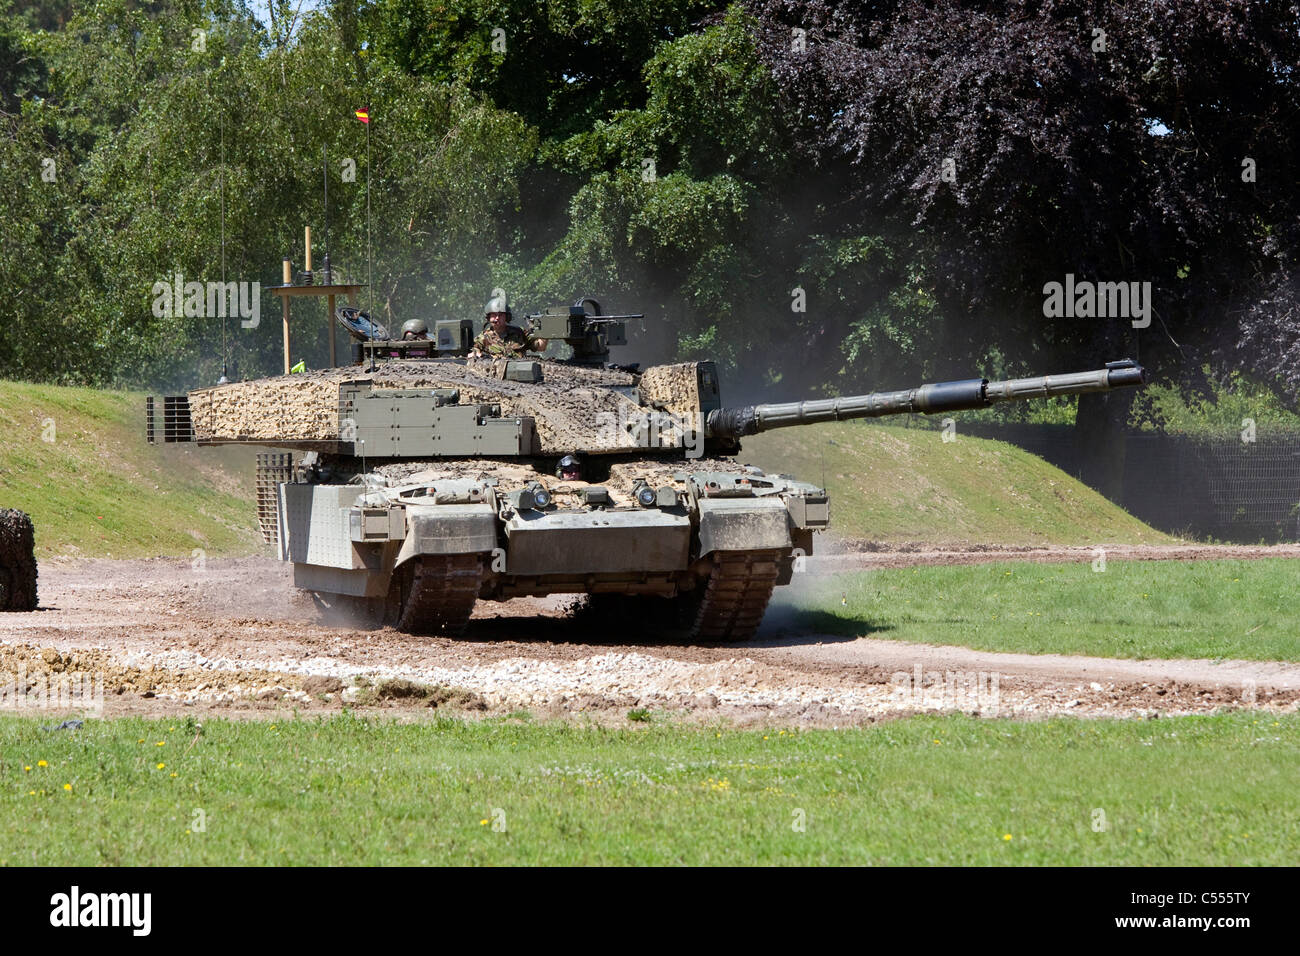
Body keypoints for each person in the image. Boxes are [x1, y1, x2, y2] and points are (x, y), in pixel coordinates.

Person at [471, 293, 547, 358]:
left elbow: (541, 347)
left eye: (500, 315)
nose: (497, 318)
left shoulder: (519, 333)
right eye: (494, 315)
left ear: (506, 317)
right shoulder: (483, 338)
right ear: (488, 318)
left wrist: (543, 329)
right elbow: (472, 352)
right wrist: (477, 354)